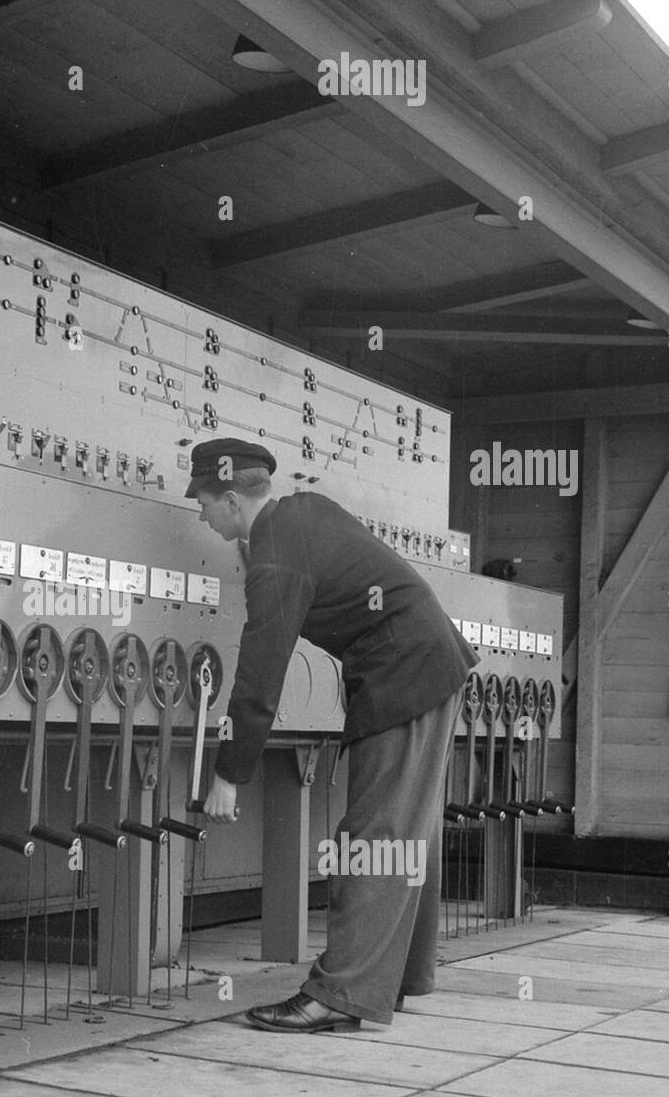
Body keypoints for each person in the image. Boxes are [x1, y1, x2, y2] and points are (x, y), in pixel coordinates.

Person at [191, 438, 479, 1033]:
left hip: (404, 673)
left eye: (202, 502)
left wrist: (229, 772)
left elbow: (261, 669)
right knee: (406, 830)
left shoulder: (273, 551)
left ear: (228, 498)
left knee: (373, 833)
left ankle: (340, 995)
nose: (200, 514)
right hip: (426, 665)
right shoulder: (304, 512)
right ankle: (396, 977)